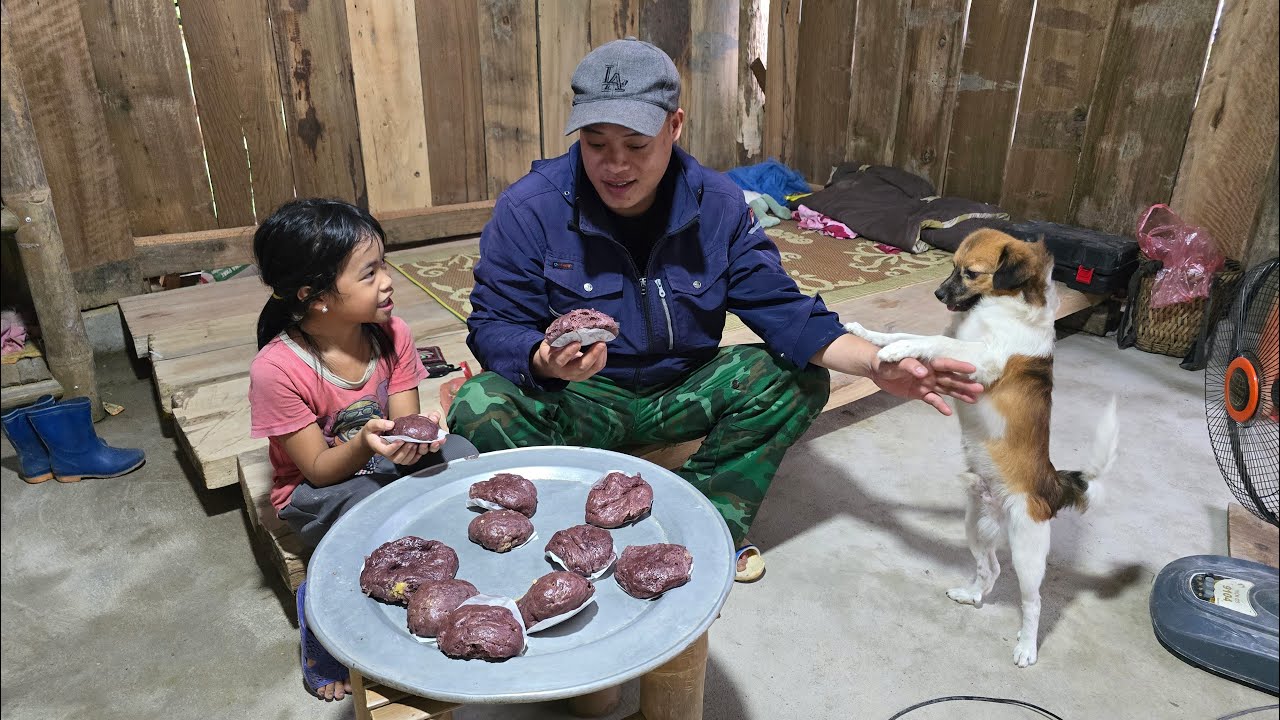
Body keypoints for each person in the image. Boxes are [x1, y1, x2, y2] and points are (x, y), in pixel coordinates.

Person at [446, 38, 981, 582]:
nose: (615, 164)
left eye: (636, 144)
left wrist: (875, 363)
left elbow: (780, 309)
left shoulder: (719, 203)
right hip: (582, 396)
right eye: (596, 142)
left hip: (681, 388)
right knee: (480, 402)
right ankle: (569, 544)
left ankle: (705, 519)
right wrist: (541, 361)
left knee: (793, 379)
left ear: (674, 126)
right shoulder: (529, 207)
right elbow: (493, 325)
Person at [248, 198, 477, 701]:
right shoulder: (278, 369)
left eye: (384, 265)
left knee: (461, 453)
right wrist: (367, 444)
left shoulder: (392, 334)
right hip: (317, 489)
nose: (388, 281)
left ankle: (437, 577)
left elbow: (404, 422)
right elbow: (318, 469)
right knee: (363, 511)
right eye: (369, 273)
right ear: (316, 296)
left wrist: (421, 439)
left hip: (378, 460)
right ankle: (323, 626)